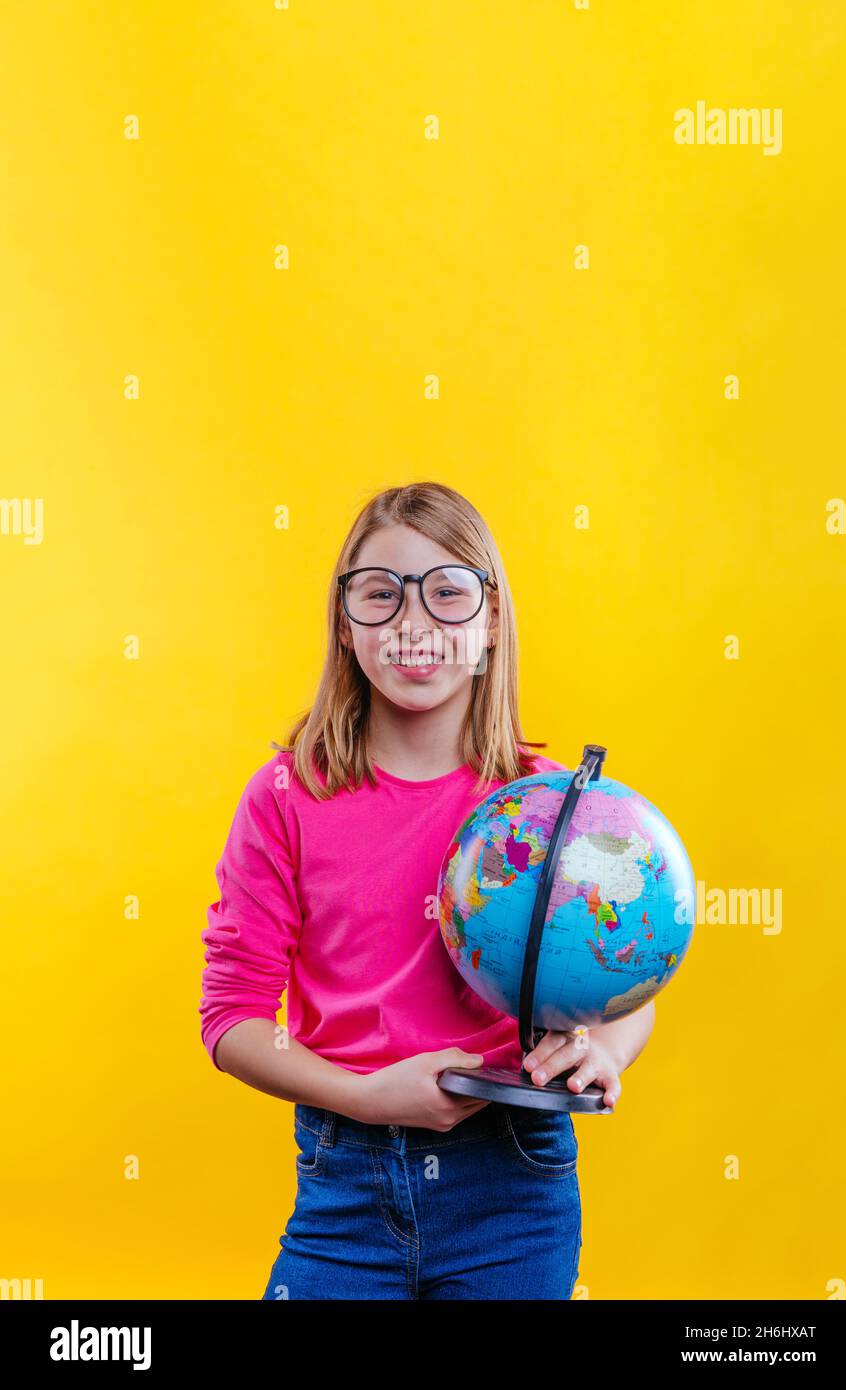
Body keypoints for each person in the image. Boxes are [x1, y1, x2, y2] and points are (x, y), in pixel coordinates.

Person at [199, 481, 655, 1300]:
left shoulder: (548, 807)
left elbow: (623, 990)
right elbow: (232, 1018)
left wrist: (600, 1052)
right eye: (382, 595)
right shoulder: (285, 797)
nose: (414, 625)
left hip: (513, 1184)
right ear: (345, 623)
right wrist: (366, 1098)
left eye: (448, 594)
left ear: (489, 626)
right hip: (343, 1186)